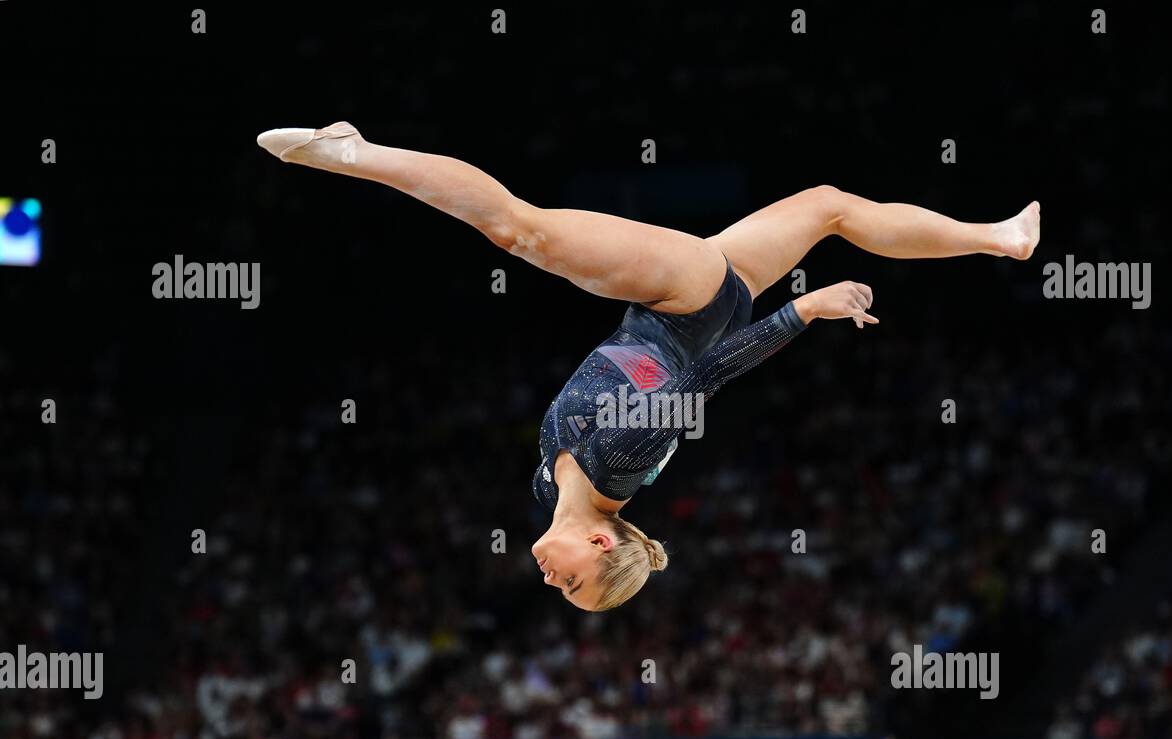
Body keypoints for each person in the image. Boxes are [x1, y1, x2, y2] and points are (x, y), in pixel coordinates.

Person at [257, 122, 1040, 611]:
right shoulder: (618, 464)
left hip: (700, 300)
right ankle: (355, 151)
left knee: (831, 205)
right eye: (569, 581)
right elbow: (705, 381)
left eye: (558, 591)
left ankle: (1000, 237)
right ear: (601, 546)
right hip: (685, 303)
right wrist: (803, 310)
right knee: (521, 232)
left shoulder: (546, 486)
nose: (547, 579)